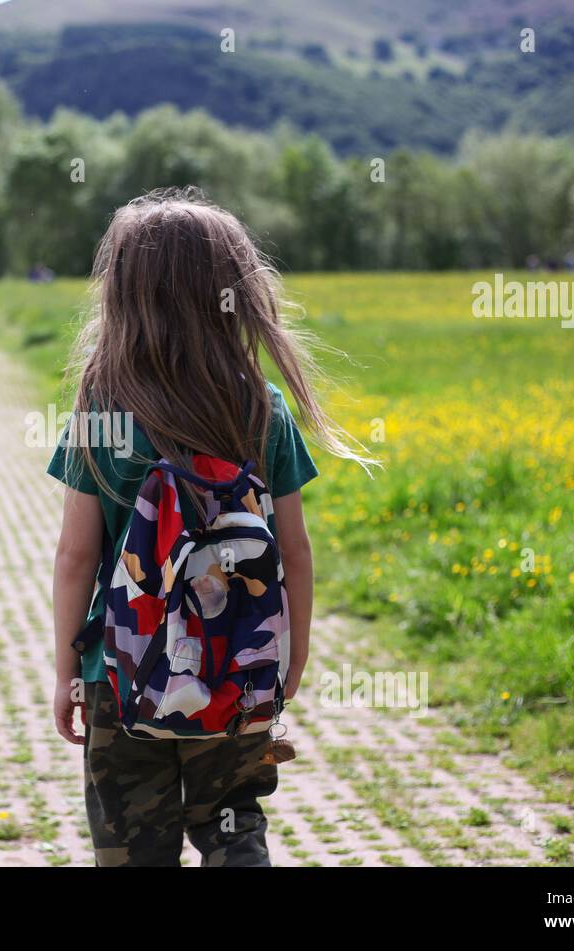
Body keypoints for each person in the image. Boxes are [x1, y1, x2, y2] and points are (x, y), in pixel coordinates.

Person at [46, 188, 374, 867]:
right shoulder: (262, 405)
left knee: (135, 850)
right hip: (234, 676)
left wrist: (66, 673)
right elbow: (294, 552)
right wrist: (292, 659)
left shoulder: (102, 402)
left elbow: (77, 555)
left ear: (125, 295)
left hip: (122, 677)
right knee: (234, 834)